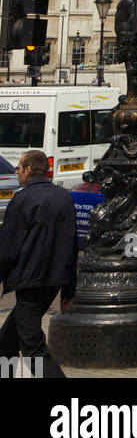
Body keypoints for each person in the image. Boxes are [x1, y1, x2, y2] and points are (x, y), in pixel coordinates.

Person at [0, 150, 77, 378]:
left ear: (28, 170)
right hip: (53, 281)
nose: (16, 173)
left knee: (33, 348)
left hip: (30, 281)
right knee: (6, 341)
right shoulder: (65, 197)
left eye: (18, 168)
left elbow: (8, 247)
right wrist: (68, 290)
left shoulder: (22, 199)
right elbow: (72, 245)